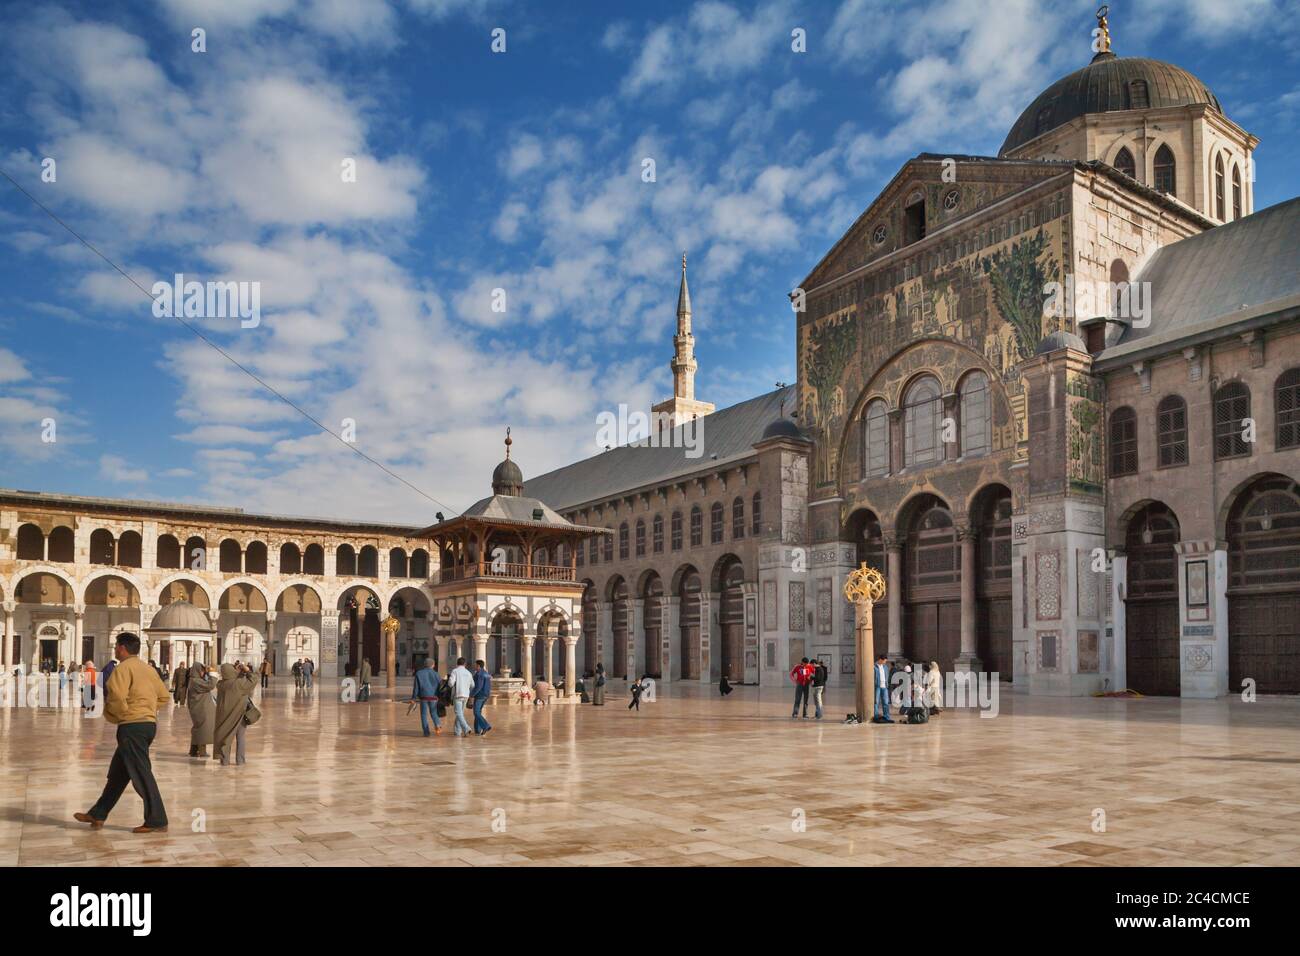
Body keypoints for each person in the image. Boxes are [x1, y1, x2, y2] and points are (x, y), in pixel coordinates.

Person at [74, 633, 170, 834]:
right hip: (147, 724)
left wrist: (119, 715)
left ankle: (157, 819)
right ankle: (98, 813)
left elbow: (116, 695)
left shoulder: (123, 669)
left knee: (141, 773)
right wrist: (148, 709)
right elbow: (163, 696)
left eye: (117, 646)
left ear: (123, 648)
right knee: (119, 774)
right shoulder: (148, 669)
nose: (115, 649)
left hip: (132, 726)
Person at [213, 662, 257, 765]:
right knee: (240, 738)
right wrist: (247, 670)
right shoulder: (238, 684)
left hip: (226, 716)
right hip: (239, 715)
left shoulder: (221, 684)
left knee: (225, 738)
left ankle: (224, 760)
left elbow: (233, 679)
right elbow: (254, 680)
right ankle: (240, 760)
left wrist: (238, 673)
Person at [186, 662, 217, 757]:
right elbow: (210, 685)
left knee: (198, 728)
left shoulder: (195, 680)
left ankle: (194, 750)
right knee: (203, 729)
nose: (203, 672)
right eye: (202, 670)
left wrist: (207, 673)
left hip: (200, 708)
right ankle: (202, 751)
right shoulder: (195, 681)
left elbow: (206, 682)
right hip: (200, 710)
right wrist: (212, 673)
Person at [411, 659, 442, 736]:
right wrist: (439, 696)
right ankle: (437, 725)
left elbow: (416, 687)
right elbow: (440, 686)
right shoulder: (436, 674)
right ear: (433, 665)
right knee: (434, 713)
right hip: (434, 697)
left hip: (424, 697)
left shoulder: (419, 673)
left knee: (424, 715)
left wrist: (413, 698)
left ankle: (426, 732)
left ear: (424, 664)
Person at [448, 657, 474, 737]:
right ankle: (457, 731)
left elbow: (450, 683)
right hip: (466, 695)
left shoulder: (455, 671)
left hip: (458, 695)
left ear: (457, 663)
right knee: (460, 713)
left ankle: (466, 728)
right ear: (465, 664)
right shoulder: (468, 673)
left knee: (458, 713)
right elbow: (473, 685)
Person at [471, 660, 492, 736]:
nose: (474, 666)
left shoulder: (479, 674)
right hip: (485, 695)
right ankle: (477, 730)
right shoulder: (486, 674)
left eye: (475, 665)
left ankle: (486, 726)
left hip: (480, 695)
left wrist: (472, 694)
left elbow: (478, 686)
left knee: (476, 712)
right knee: (478, 713)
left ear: (478, 666)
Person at [872, 653, 893, 723]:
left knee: (886, 702)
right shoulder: (874, 667)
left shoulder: (885, 667)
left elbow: (887, 676)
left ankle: (887, 716)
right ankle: (876, 716)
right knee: (876, 702)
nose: (885, 662)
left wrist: (887, 684)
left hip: (884, 687)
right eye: (884, 661)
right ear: (880, 660)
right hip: (877, 686)